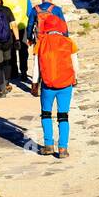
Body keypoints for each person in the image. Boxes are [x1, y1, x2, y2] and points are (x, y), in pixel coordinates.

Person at [29, 12, 79, 159]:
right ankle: (63, 148)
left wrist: (34, 84)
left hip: (47, 85)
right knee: (63, 116)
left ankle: (48, 145)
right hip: (65, 85)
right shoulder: (69, 42)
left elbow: (36, 68)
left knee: (46, 114)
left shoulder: (41, 43)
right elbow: (75, 65)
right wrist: (74, 78)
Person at [1, 0, 35, 81]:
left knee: (11, 50)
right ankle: (24, 73)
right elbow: (29, 12)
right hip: (22, 26)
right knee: (23, 50)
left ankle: (14, 72)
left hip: (9, 27)